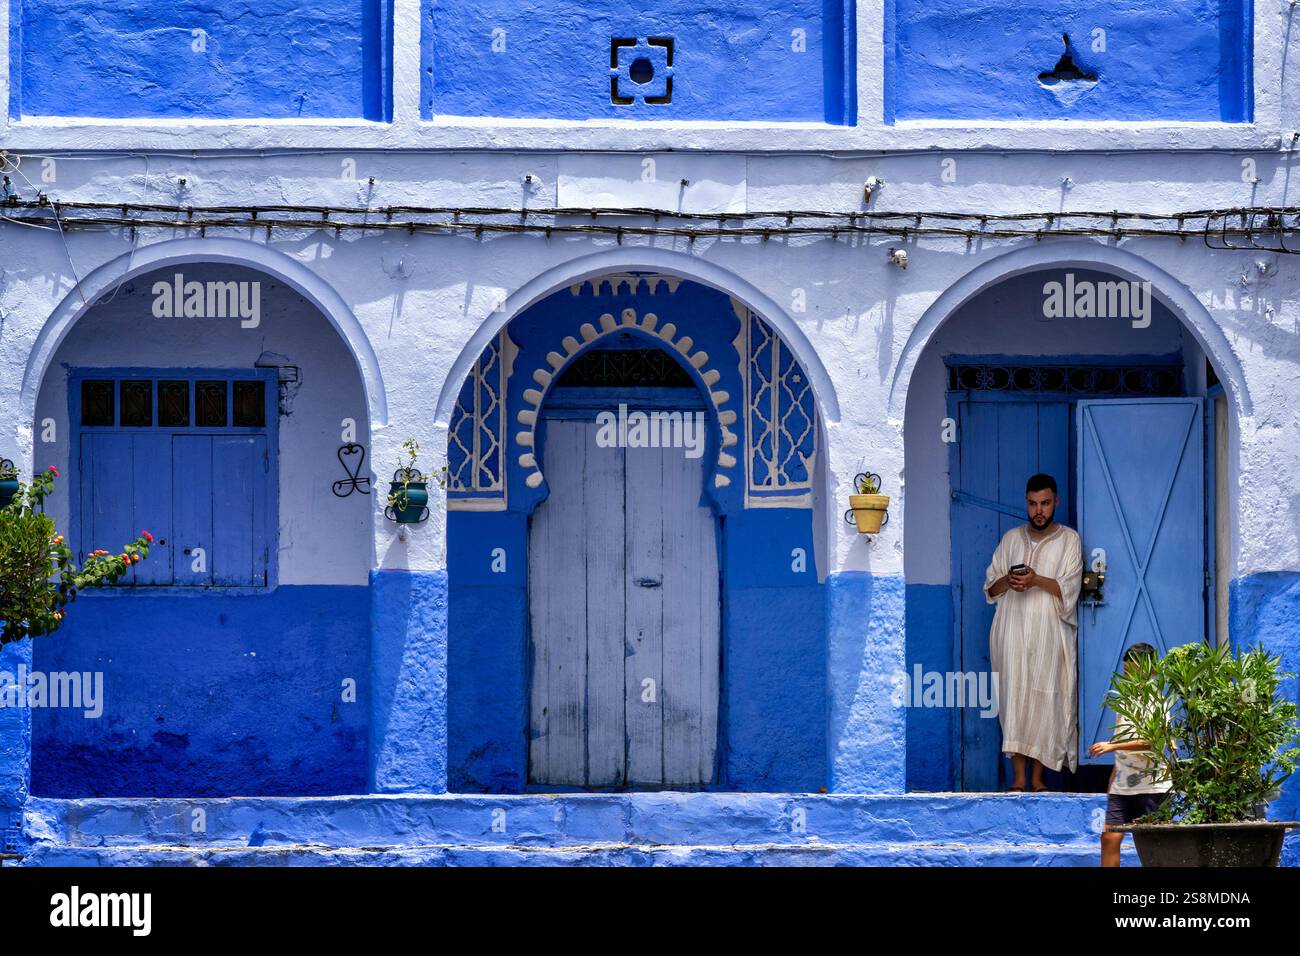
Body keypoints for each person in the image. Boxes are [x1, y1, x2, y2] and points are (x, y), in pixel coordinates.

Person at [983, 473, 1083, 792]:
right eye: (1032, 503)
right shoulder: (1011, 539)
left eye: (1044, 503)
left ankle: (1039, 779)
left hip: (1049, 632)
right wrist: (1010, 582)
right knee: (1014, 698)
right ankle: (1018, 780)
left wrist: (1037, 579)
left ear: (1056, 503)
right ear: (1026, 503)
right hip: (1011, 629)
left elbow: (1070, 586)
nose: (1038, 510)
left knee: (1044, 698)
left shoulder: (1069, 540)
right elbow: (990, 587)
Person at [1088, 643, 1171, 867]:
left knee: (1156, 844)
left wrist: (1112, 746)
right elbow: (1124, 740)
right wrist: (1113, 777)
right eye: (1127, 668)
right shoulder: (1124, 701)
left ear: (1151, 671)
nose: (1128, 671)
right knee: (1109, 837)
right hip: (1123, 786)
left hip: (1152, 786)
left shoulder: (1157, 703)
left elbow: (1153, 742)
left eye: (1134, 667)